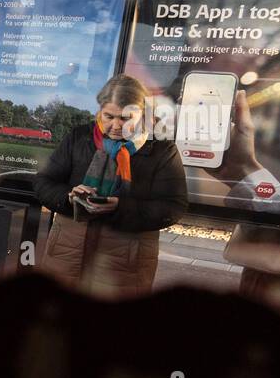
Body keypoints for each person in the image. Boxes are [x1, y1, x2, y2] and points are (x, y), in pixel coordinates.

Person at [33, 74, 188, 297]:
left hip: (125, 261)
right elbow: (43, 182)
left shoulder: (161, 150)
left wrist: (120, 207)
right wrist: (69, 195)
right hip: (68, 252)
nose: (115, 126)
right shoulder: (80, 137)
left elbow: (174, 207)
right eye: (109, 116)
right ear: (100, 111)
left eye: (126, 118)